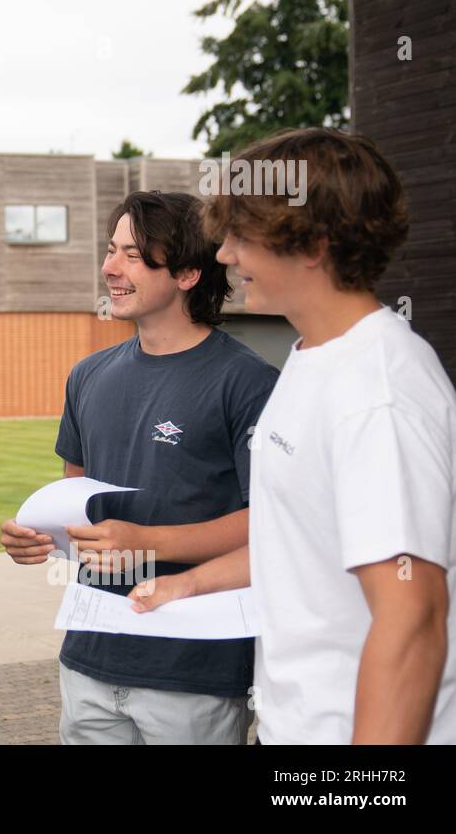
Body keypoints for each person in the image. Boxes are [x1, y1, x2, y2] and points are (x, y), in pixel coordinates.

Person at [129, 128, 455, 744]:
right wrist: (188, 581)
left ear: (312, 245)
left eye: (242, 237)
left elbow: (414, 615)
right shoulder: (313, 359)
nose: (224, 255)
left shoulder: (376, 392)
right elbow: (305, 539)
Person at [1, 189, 278, 744]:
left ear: (188, 273)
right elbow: (76, 500)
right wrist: (41, 538)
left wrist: (146, 542)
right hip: (89, 657)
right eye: (111, 250)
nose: (110, 268)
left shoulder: (249, 383)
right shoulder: (87, 376)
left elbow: (271, 527)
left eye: (132, 255)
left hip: (193, 670)